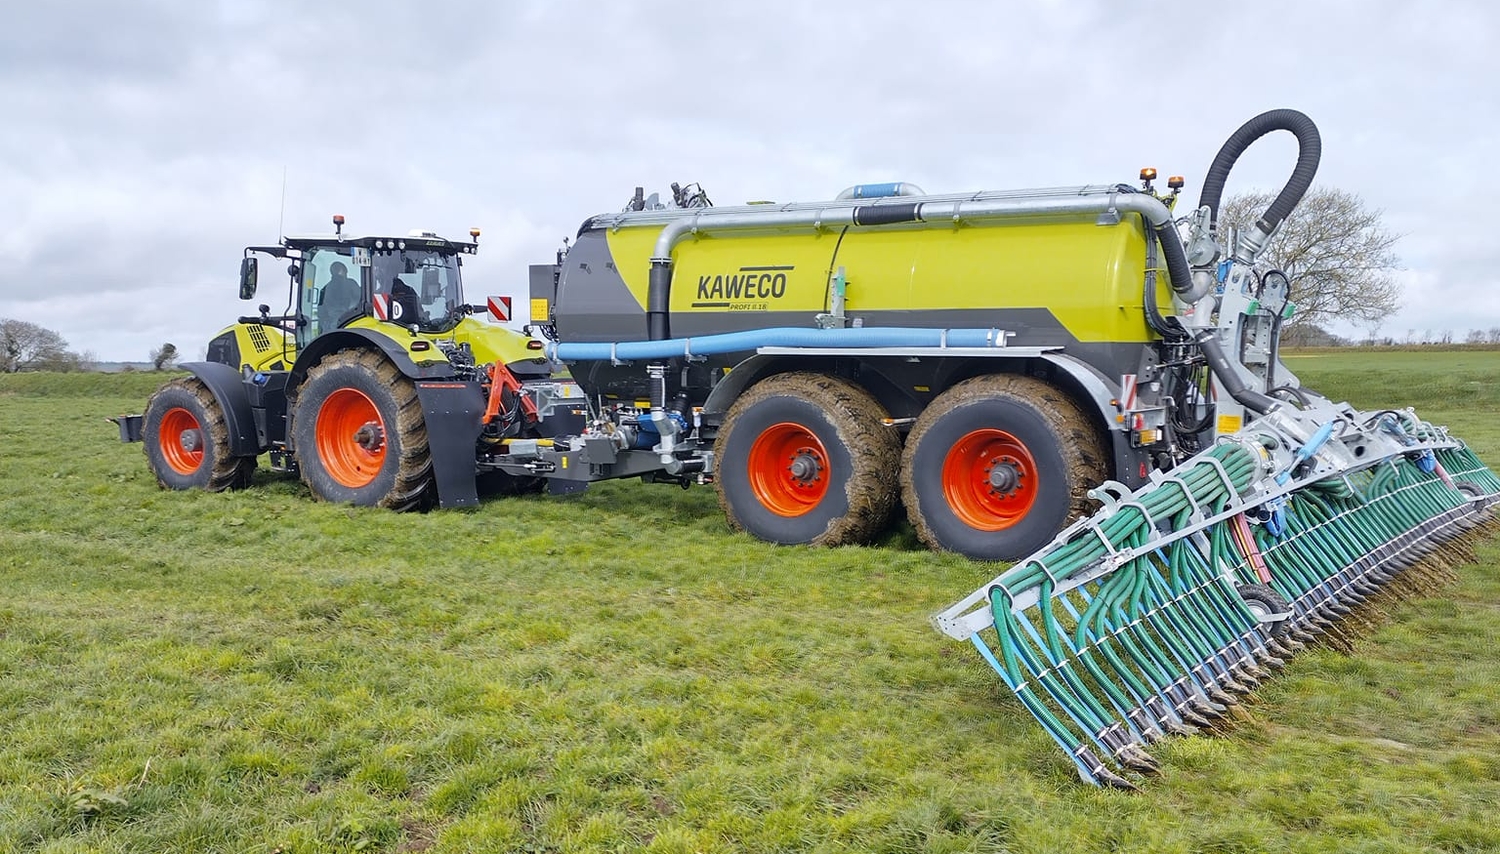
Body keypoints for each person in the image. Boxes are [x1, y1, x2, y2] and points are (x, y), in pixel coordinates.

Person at [319, 261, 362, 330]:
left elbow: (321, 309)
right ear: (343, 271)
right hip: (349, 320)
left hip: (330, 324)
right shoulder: (351, 284)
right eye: (346, 271)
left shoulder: (325, 288)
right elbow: (360, 300)